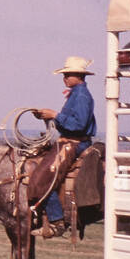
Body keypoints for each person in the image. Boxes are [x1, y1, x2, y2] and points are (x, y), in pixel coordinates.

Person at [31, 56, 96, 237]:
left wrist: (55, 115)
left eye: (67, 74)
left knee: (44, 176)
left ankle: (56, 221)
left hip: (76, 143)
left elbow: (79, 125)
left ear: (78, 76)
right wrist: (50, 116)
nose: (64, 78)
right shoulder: (76, 94)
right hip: (69, 141)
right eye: (64, 74)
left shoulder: (81, 95)